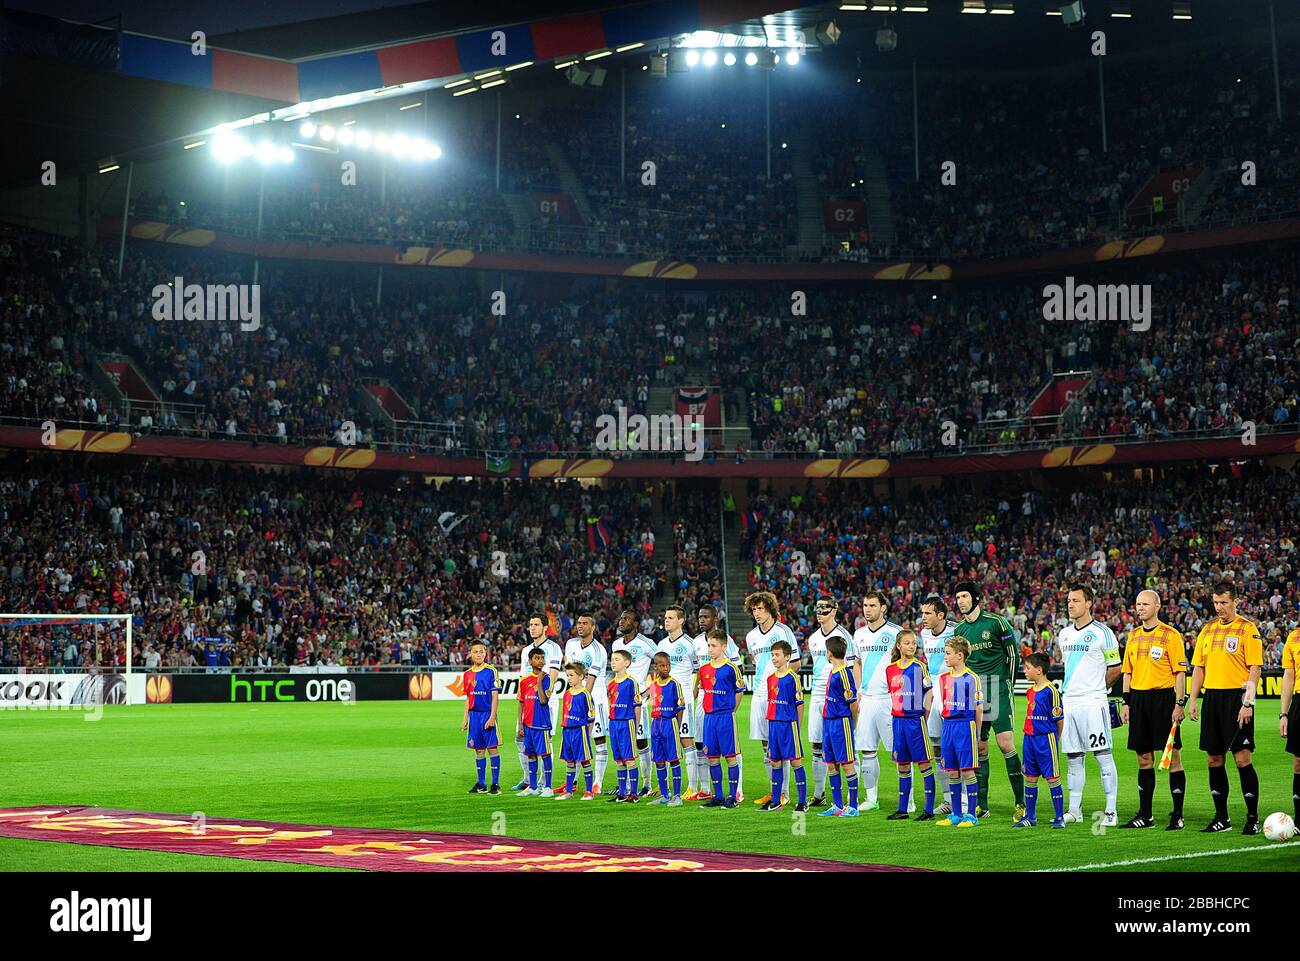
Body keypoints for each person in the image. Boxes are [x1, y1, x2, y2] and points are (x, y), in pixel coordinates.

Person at [1186, 582, 1264, 834]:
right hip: (1212, 699)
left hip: (1237, 698)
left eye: (1224, 603)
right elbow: (1199, 668)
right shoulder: (1207, 631)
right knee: (1213, 759)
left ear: (1235, 602)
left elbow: (1255, 668)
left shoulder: (1247, 629)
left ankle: (1252, 818)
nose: (1219, 607)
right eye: (1215, 602)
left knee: (1242, 758)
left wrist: (1247, 702)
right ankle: (1222, 818)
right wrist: (1193, 699)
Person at [952, 581, 1025, 821]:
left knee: (1005, 743)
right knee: (980, 748)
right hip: (976, 693)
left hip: (998, 689)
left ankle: (1020, 802)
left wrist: (1008, 686)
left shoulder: (996, 623)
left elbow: (1012, 654)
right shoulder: (959, 631)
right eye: (957, 597)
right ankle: (982, 805)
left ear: (975, 598)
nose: (960, 600)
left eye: (964, 596)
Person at [1119, 590, 1189, 830]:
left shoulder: (1171, 635)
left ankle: (1177, 815)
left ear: (1157, 606)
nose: (1140, 608)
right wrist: (1126, 702)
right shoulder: (1134, 635)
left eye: (1145, 604)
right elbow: (1127, 671)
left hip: (1163, 700)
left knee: (1172, 758)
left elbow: (1180, 673)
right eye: (1137, 604)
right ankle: (1146, 816)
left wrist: (1180, 704)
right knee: (1143, 759)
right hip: (1139, 700)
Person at [1056, 583, 1122, 826]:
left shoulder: (1103, 633)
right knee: (1073, 757)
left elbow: (1116, 668)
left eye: (1075, 600)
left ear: (1088, 603)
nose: (1070, 605)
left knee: (1103, 756)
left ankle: (1111, 811)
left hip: (1093, 702)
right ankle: (1075, 810)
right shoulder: (1064, 634)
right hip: (1069, 702)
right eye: (1069, 601)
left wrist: (1098, 688)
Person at [744, 591, 800, 806]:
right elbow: (757, 662)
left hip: (778, 696)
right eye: (754, 609)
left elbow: (794, 662)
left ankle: (784, 793)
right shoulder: (751, 637)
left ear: (770, 609)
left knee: (780, 743)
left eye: (761, 609)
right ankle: (774, 790)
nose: (757, 613)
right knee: (766, 745)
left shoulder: (783, 631)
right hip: (758, 694)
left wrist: (781, 684)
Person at [851, 590, 902, 811]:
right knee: (867, 750)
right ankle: (871, 798)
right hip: (868, 700)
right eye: (865, 605)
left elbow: (905, 666)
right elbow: (857, 664)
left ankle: (907, 799)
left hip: (890, 700)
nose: (867, 609)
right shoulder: (859, 634)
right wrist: (858, 691)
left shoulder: (896, 633)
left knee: (900, 752)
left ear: (883, 608)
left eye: (872, 605)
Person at [805, 596, 856, 806]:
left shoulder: (844, 637)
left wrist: (855, 695)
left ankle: (850, 798)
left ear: (834, 611)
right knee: (817, 744)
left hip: (838, 697)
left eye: (825, 608)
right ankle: (820, 794)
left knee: (847, 747)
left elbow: (852, 667)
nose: (820, 611)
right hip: (818, 694)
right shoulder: (813, 638)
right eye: (817, 608)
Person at [885, 629, 936, 821]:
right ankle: (902, 809)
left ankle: (929, 810)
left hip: (915, 721)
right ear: (899, 646)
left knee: (924, 764)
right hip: (898, 721)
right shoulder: (890, 669)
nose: (912, 646)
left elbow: (929, 693)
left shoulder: (920, 667)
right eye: (907, 643)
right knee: (903, 765)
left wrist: (924, 715)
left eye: (914, 643)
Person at [693, 604, 742, 800]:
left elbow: (739, 690)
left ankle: (732, 796)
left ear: (723, 647)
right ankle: (718, 796)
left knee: (730, 757)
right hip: (709, 718)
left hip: (725, 717)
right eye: (709, 646)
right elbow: (702, 691)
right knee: (711, 757)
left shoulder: (731, 668)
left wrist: (732, 710)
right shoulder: (703, 669)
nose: (710, 649)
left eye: (714, 646)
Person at [512, 613, 563, 792]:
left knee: (546, 740)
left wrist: (547, 694)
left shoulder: (553, 648)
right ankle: (528, 779)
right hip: (528, 702)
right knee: (520, 737)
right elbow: (522, 678)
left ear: (544, 627)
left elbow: (554, 673)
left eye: (536, 624)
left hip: (546, 702)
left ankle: (543, 782)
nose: (532, 628)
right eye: (531, 624)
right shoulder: (526, 651)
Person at [1015, 652, 1065, 829]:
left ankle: (1059, 817)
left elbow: (1059, 720)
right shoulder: (1030, 691)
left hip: (1046, 740)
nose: (1024, 671)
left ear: (1039, 669)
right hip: (1029, 739)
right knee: (1030, 778)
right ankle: (1031, 817)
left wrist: (1054, 738)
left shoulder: (1051, 691)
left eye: (1027, 668)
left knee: (1052, 779)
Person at [936, 638, 982, 828]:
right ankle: (955, 814)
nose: (945, 657)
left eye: (948, 653)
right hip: (948, 726)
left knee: (967, 770)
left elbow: (979, 709)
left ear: (959, 655)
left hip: (965, 726)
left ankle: (971, 814)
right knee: (952, 771)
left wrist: (977, 735)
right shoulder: (943, 678)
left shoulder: (972, 678)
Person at [612, 609, 659, 797]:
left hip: (638, 702)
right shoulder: (616, 643)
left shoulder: (646, 644)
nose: (621, 621)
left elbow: (663, 663)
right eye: (621, 618)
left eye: (626, 619)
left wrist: (651, 690)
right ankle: (624, 787)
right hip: (619, 704)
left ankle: (646, 784)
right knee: (622, 743)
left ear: (636, 623)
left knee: (640, 743)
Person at [658, 605, 702, 799]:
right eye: (666, 617)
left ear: (681, 620)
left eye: (670, 618)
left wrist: (693, 691)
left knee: (685, 739)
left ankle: (692, 786)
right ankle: (665, 788)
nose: (666, 620)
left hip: (682, 697)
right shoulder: (661, 645)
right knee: (664, 741)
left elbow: (699, 669)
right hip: (662, 701)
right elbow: (657, 673)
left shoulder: (690, 644)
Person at [563, 612, 610, 794]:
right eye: (578, 623)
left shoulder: (598, 650)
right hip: (575, 698)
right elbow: (570, 672)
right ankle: (572, 782)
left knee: (598, 740)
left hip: (594, 699)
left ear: (593, 627)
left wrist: (582, 702)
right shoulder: (571, 644)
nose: (580, 626)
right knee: (576, 741)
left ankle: (597, 782)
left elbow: (590, 680)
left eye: (584, 623)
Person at [761, 640, 809, 812]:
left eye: (777, 655)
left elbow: (800, 704)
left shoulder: (792, 678)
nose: (774, 658)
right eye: (772, 655)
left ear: (787, 657)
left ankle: (803, 802)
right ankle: (776, 801)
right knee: (775, 762)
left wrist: (797, 726)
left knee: (796, 762)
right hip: (773, 725)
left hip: (789, 725)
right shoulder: (770, 679)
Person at [920, 596, 956, 814]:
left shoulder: (956, 631)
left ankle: (964, 798)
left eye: (928, 613)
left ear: (940, 615)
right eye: (923, 613)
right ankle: (947, 798)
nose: (923, 617)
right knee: (937, 746)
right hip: (934, 694)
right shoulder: (924, 634)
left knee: (956, 745)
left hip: (952, 692)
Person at [819, 635, 861, 817]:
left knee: (847, 764)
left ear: (829, 652)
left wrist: (852, 723)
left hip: (841, 722)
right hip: (828, 722)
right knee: (831, 764)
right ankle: (837, 805)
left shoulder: (845, 673)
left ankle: (853, 806)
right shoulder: (833, 671)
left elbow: (853, 703)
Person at [459, 639, 501, 795]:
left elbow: (495, 696)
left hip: (487, 715)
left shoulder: (491, 671)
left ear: (486, 653)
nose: (478, 654)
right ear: (470, 654)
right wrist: (465, 718)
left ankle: (495, 784)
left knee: (492, 748)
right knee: (478, 750)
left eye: (481, 651)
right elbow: (468, 698)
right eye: (475, 652)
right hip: (474, 717)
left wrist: (492, 717)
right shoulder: (467, 674)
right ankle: (482, 784)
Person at [646, 652, 686, 806]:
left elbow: (681, 707)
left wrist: (678, 725)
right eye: (662, 665)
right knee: (659, 760)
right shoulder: (654, 685)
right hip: (656, 724)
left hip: (670, 723)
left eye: (668, 665)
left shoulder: (674, 684)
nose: (666, 668)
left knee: (674, 759)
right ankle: (664, 795)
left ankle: (677, 796)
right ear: (656, 667)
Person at [555, 663, 596, 801]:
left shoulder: (585, 694)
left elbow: (591, 716)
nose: (569, 678)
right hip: (567, 731)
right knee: (570, 761)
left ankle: (589, 791)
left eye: (571, 675)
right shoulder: (567, 693)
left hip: (580, 731)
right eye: (567, 675)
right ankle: (568, 791)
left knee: (584, 761)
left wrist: (588, 734)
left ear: (581, 676)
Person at [517, 647, 554, 798]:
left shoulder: (547, 679)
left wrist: (539, 681)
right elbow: (521, 702)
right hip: (528, 725)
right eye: (537, 658)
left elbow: (544, 700)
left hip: (542, 724)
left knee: (545, 755)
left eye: (542, 658)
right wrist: (520, 723)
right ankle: (532, 787)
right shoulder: (524, 680)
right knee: (531, 755)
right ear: (530, 661)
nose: (540, 661)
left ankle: (548, 787)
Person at [606, 650, 642, 803]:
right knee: (619, 760)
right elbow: (610, 703)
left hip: (627, 723)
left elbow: (637, 706)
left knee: (629, 759)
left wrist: (636, 726)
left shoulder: (631, 682)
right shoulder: (611, 683)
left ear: (626, 663)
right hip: (614, 723)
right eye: (612, 659)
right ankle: (621, 793)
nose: (613, 662)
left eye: (617, 659)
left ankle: (633, 794)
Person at [1281, 624, 1300, 825]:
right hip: (1299, 702)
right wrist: (1283, 714)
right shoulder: (1294, 638)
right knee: (1298, 762)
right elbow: (1288, 676)